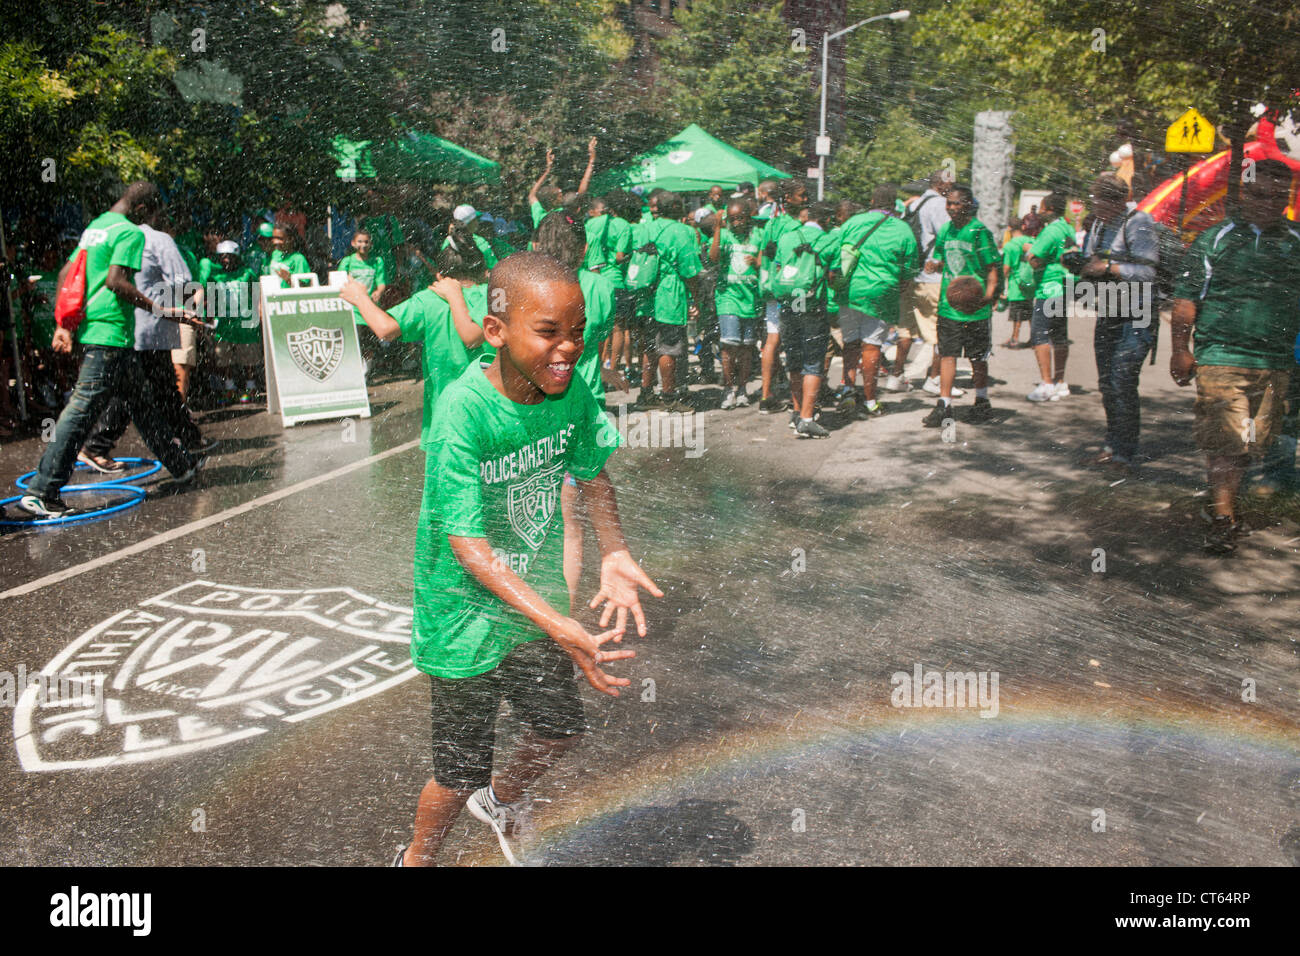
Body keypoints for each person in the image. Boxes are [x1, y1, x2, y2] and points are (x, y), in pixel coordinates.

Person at [396, 252, 661, 867]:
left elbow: (593, 474)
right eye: (548, 332)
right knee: (457, 773)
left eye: (578, 330)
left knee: (561, 731)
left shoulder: (568, 390)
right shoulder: (462, 412)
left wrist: (614, 548)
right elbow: (469, 547)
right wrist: (562, 625)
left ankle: (500, 801)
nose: (567, 348)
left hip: (530, 604)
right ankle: (416, 858)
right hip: (461, 620)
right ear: (496, 332)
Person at [19, 182, 202, 517]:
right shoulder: (131, 234)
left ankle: (182, 466)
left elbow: (65, 273)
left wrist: (63, 324)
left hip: (99, 333)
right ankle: (41, 492)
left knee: (142, 405)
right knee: (80, 412)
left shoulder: (97, 226)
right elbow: (116, 281)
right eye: (154, 214)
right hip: (110, 336)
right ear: (144, 210)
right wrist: (164, 311)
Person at [1169, 158, 1300, 554]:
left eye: (1279, 196)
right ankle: (1223, 517)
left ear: (1288, 197)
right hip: (1221, 355)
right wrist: (1180, 350)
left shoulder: (1296, 239)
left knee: (1250, 441)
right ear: (1245, 192)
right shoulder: (1215, 238)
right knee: (1227, 441)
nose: (1268, 202)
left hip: (1275, 361)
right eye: (1260, 193)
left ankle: (1225, 504)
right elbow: (1186, 301)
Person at [79, 207, 214, 470]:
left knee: (155, 388)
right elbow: (183, 283)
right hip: (153, 329)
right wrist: (191, 314)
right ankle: (96, 446)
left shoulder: (116, 236)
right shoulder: (159, 240)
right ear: (156, 215)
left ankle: (187, 439)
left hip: (126, 327)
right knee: (141, 392)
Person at [340, 225, 483, 451]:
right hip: (489, 414)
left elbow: (385, 329)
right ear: (482, 268)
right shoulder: (493, 296)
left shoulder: (430, 300)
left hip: (446, 423)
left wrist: (360, 298)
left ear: (440, 274)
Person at [1080, 173, 1160, 468]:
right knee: (1106, 383)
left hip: (1138, 313)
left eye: (1099, 198)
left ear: (1116, 200)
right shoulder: (1100, 223)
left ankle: (1125, 452)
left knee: (1123, 380)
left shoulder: (1139, 222)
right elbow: (1091, 260)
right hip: (1110, 309)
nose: (1095, 204)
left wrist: (1111, 268)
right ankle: (1111, 445)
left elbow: (1148, 272)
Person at [920, 184, 1002, 427]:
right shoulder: (945, 229)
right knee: (947, 354)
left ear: (968, 204)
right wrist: (934, 266)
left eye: (957, 203)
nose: (952, 208)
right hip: (950, 305)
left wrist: (987, 298)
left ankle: (982, 402)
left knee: (977, 358)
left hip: (975, 307)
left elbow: (992, 269)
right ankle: (944, 405)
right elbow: (943, 261)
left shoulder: (979, 231)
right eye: (949, 203)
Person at [836, 186, 919, 418]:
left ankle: (848, 391)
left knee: (850, 343)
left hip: (850, 291)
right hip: (882, 294)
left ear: (872, 201)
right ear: (894, 205)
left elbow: (836, 254)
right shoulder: (904, 230)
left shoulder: (853, 223)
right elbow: (909, 270)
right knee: (871, 347)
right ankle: (871, 400)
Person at [771, 200, 837, 438]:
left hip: (789, 305)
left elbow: (778, 268)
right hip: (812, 307)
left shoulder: (787, 237)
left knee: (795, 360)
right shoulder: (830, 240)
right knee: (813, 362)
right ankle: (807, 419)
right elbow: (833, 275)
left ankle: (797, 412)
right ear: (827, 220)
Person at [635, 190, 700, 414]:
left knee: (650, 346)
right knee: (669, 348)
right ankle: (669, 397)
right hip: (669, 294)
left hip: (646, 293)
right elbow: (690, 270)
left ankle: (646, 394)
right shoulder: (683, 231)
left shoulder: (645, 227)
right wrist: (696, 299)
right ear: (675, 207)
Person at [901, 170, 953, 397]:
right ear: (942, 184)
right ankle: (934, 378)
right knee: (940, 331)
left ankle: (896, 375)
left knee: (907, 328)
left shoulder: (914, 204)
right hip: (934, 276)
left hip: (913, 273)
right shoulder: (941, 205)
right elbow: (947, 237)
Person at [1021, 192, 1076, 402]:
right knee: (1060, 336)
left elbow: (1035, 258)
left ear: (1050, 209)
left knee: (1040, 335)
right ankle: (1060, 381)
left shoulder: (1050, 231)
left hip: (1048, 288)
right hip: (1065, 286)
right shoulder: (1067, 227)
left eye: (1043, 208)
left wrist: (1028, 250)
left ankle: (1046, 384)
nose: (1040, 212)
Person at [757, 179, 806, 414]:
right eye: (802, 196)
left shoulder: (770, 223)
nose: (805, 199)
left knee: (772, 339)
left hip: (770, 288)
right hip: (791, 289)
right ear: (788, 199)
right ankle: (799, 399)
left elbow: (760, 258)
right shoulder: (793, 226)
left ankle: (766, 394)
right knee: (796, 340)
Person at [709, 199, 762, 409]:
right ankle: (728, 388)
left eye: (741, 218)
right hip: (728, 298)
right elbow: (713, 258)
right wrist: (717, 230)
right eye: (733, 219)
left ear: (748, 217)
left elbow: (765, 259)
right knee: (729, 346)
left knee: (747, 348)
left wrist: (758, 262)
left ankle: (742, 388)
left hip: (751, 298)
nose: (737, 222)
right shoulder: (725, 234)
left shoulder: (758, 234)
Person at [196, 240, 260, 402]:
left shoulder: (247, 273)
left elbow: (257, 293)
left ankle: (250, 387)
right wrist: (209, 318)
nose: (226, 259)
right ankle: (229, 388)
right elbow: (210, 298)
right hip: (225, 325)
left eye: (230, 256)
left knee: (249, 358)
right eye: (222, 256)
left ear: (237, 257)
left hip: (245, 324)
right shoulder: (215, 276)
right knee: (224, 359)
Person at [1000, 218, 1031, 348]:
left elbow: (1006, 267)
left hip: (1016, 283)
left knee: (1017, 313)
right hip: (1030, 281)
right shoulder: (1030, 241)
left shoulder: (1010, 245)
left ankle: (1015, 338)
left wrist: (1000, 284)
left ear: (1009, 229)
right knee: (1030, 312)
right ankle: (1036, 337)